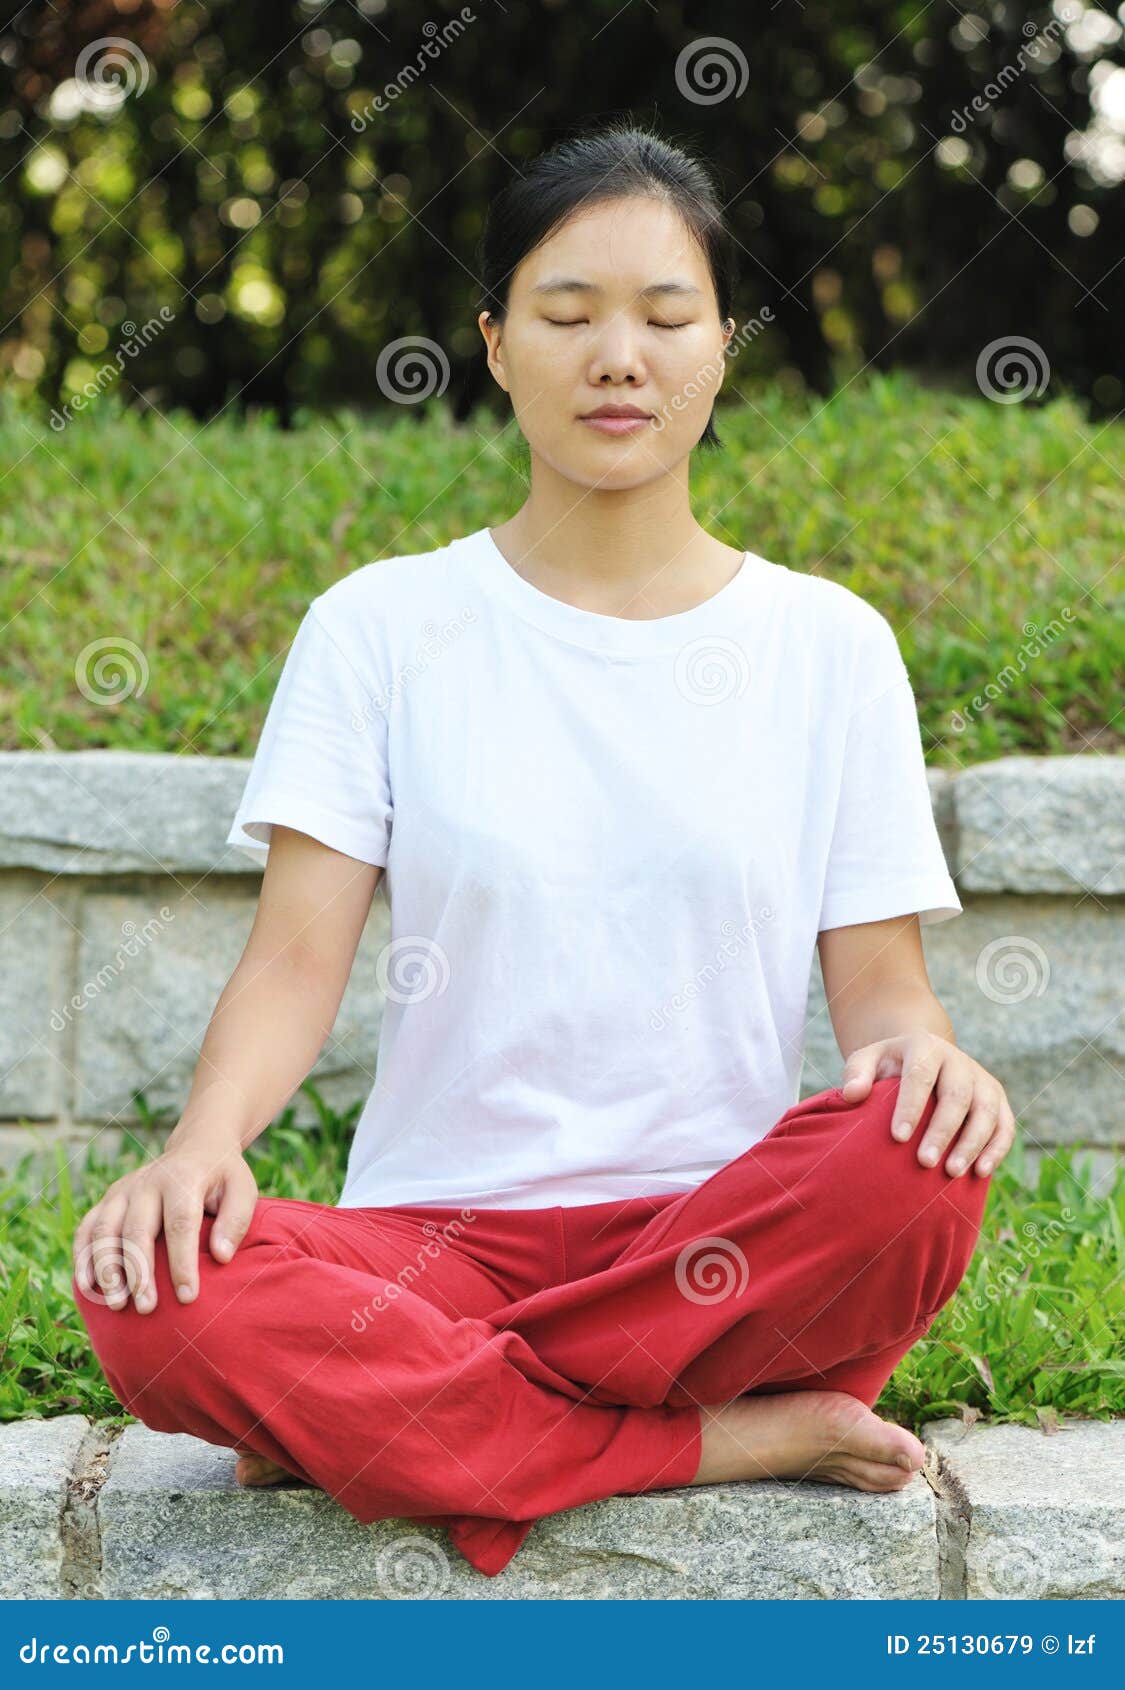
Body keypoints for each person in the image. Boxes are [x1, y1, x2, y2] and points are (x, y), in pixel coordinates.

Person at [72, 123, 1016, 1582]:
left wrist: (928, 1061)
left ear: (721, 348)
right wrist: (202, 1150)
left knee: (917, 1166)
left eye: (664, 316)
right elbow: (294, 957)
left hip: (715, 1238)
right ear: (497, 345)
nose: (617, 357)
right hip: (434, 1243)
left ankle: (419, 1414)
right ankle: (715, 1434)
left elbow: (882, 1001)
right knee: (155, 1298)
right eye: (568, 317)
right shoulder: (382, 626)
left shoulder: (827, 646)